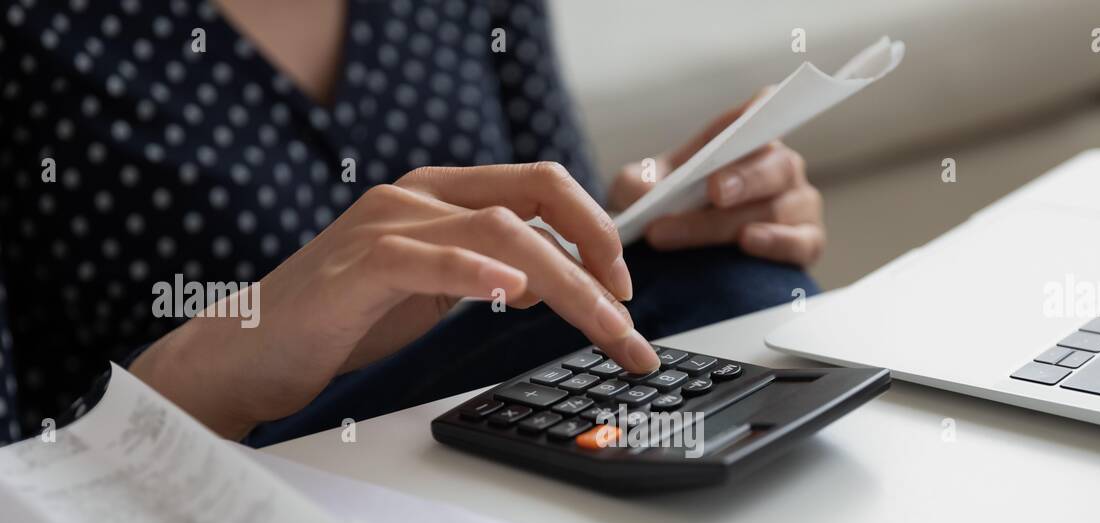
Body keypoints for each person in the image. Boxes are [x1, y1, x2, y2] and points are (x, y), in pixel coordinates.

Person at [0, 0, 825, 446]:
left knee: (738, 290)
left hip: (466, 418)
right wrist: (212, 367)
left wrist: (664, 218)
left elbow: (554, 214)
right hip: (181, 476)